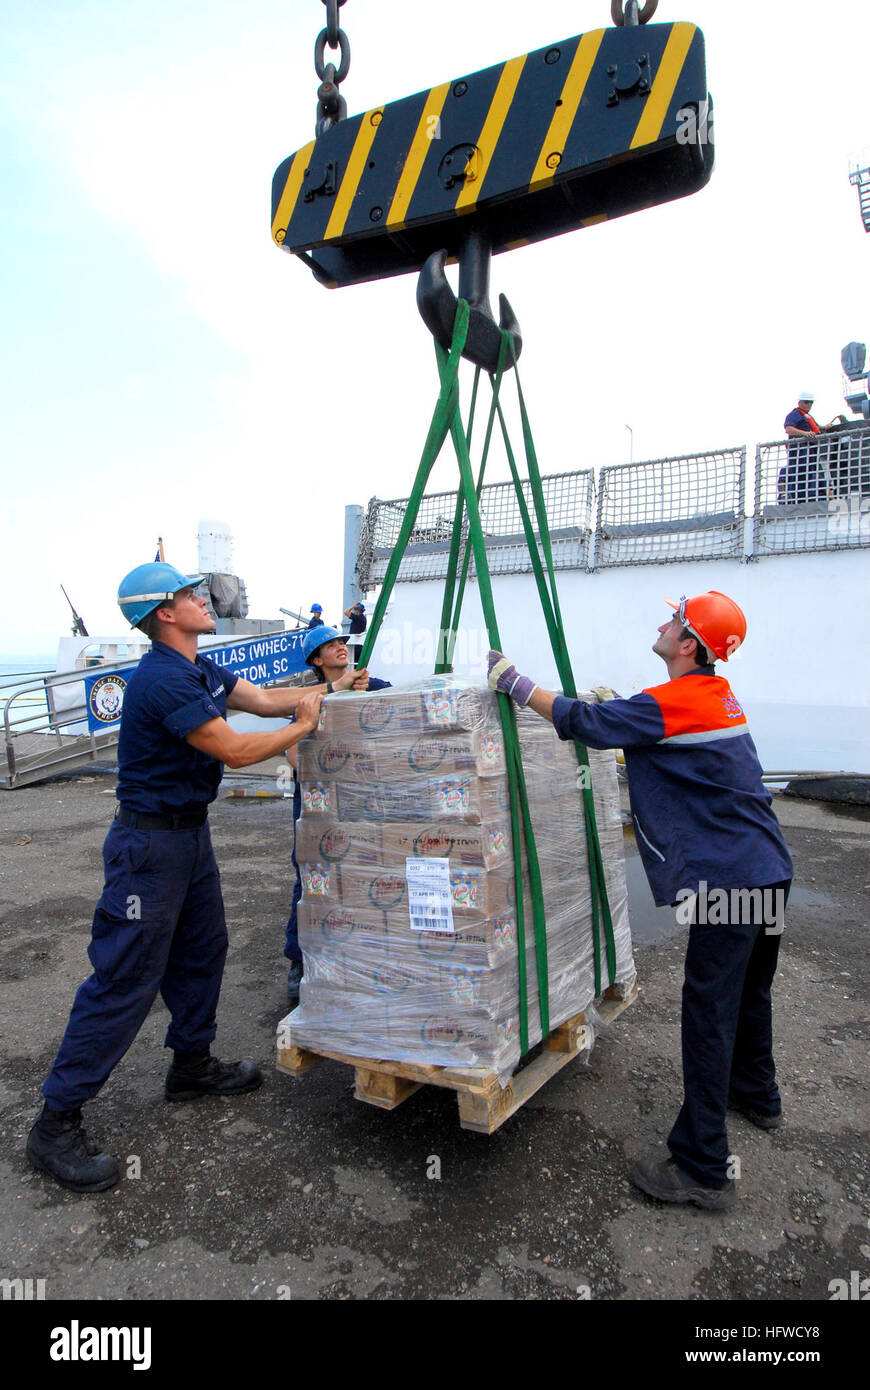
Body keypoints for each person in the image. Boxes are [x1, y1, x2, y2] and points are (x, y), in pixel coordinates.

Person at [26, 561, 360, 1195]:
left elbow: (261, 699)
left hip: (187, 836)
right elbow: (233, 748)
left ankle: (191, 1064)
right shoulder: (162, 679)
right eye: (188, 595)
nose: (203, 600)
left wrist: (331, 689)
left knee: (204, 950)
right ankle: (56, 1121)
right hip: (147, 846)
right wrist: (305, 725)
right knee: (126, 976)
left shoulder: (197, 668)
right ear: (165, 615)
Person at [487, 590, 793, 1212]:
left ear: (689, 645)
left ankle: (704, 1168)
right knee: (748, 992)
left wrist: (514, 682)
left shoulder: (676, 700)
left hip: (727, 883)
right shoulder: (712, 694)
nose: (662, 622)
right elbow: (646, 726)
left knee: (709, 1012)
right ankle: (758, 1096)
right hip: (768, 868)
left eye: (674, 619)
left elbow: (589, 727)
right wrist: (625, 707)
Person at [284, 625, 391, 1002]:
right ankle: (299, 960)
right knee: (311, 876)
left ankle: (360, 953)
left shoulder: (372, 685)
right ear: (317, 660)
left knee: (363, 871)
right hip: (317, 798)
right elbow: (292, 751)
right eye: (330, 647)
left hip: (361, 799)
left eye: (341, 643)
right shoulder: (309, 699)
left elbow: (395, 718)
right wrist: (317, 778)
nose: (340, 650)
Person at [779, 392, 832, 503]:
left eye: (811, 402)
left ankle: (805, 498)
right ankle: (799, 500)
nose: (809, 405)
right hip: (800, 451)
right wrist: (805, 433)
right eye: (806, 402)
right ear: (799, 402)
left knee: (810, 475)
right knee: (800, 476)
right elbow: (789, 429)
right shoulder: (795, 414)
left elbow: (816, 428)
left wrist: (825, 427)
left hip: (810, 452)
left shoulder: (806, 416)